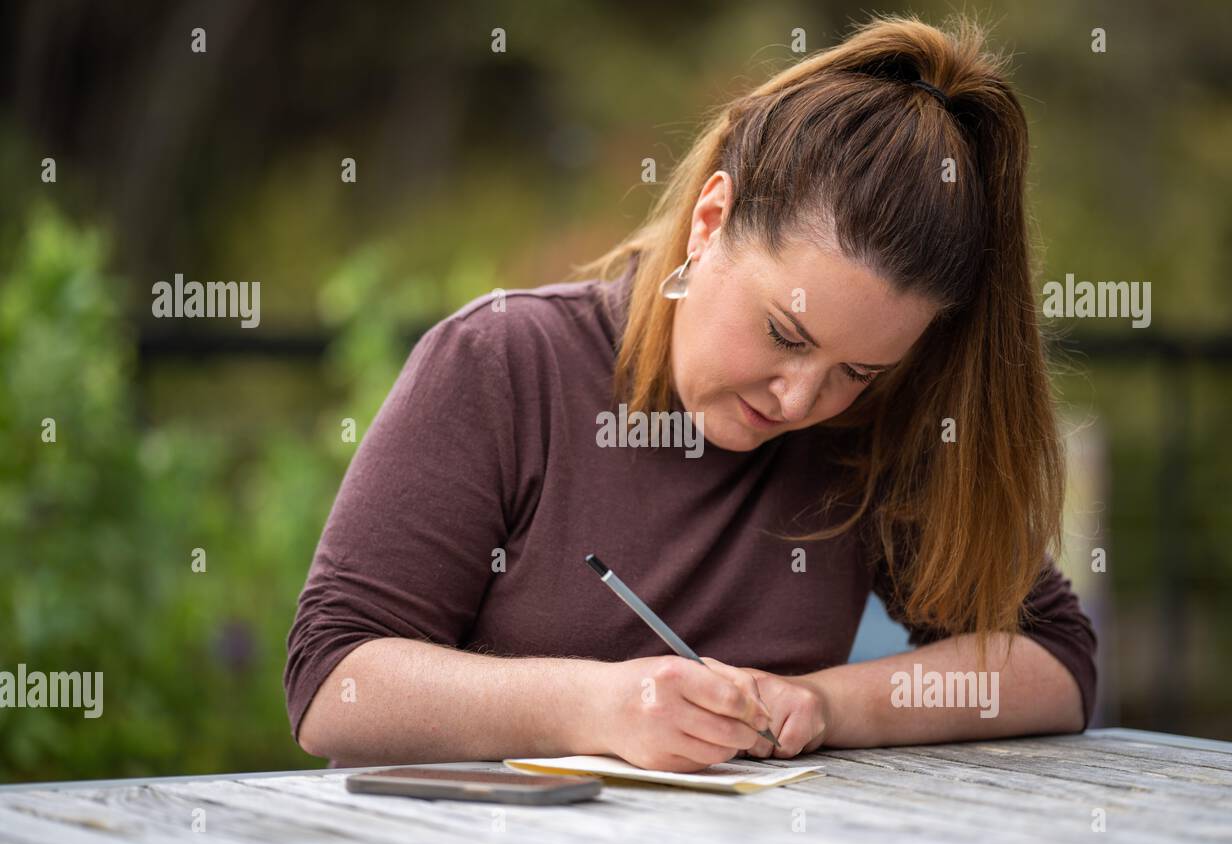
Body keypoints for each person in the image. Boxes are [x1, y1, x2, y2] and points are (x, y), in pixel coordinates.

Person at [284, 13, 1098, 772]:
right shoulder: (503, 364)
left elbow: (1054, 662)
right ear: (711, 220)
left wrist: (824, 703)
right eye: (786, 334)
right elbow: (331, 682)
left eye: (858, 372)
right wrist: (596, 707)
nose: (800, 400)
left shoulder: (874, 426)